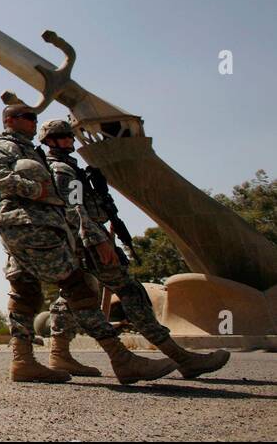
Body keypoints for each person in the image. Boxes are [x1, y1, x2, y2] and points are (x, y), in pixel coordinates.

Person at [0, 104, 177, 384]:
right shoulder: (7, 147)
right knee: (77, 286)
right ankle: (122, 359)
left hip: (31, 225)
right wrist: (36, 190)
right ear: (10, 120)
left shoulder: (28, 149)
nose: (34, 122)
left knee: (25, 292)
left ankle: (23, 361)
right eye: (28, 117)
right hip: (29, 225)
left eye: (35, 118)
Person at [39, 118, 229, 379]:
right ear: (49, 141)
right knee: (130, 290)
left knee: (74, 296)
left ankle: (59, 354)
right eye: (63, 136)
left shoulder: (66, 167)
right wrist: (97, 240)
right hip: (88, 242)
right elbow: (75, 209)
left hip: (77, 242)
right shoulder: (61, 170)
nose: (69, 140)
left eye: (70, 136)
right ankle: (180, 356)